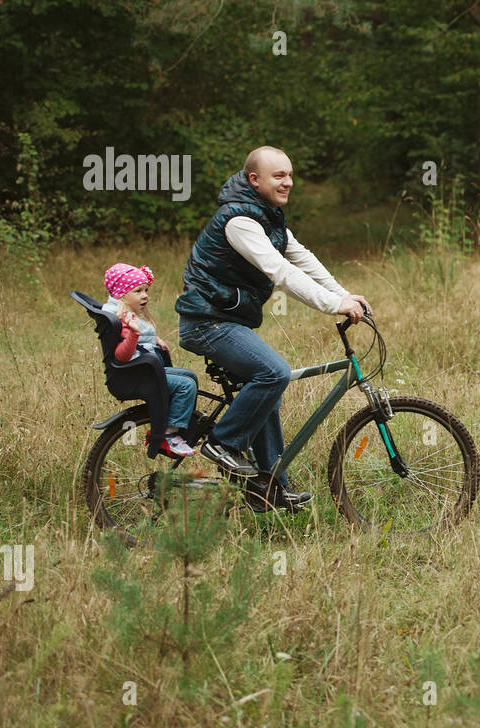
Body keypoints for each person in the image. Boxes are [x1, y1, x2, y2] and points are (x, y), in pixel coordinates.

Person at [175, 146, 372, 510]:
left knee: (269, 392)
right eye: (278, 175)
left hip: (229, 321)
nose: (288, 182)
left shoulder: (269, 217)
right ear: (254, 180)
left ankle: (269, 488)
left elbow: (302, 258)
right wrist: (334, 305)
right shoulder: (240, 222)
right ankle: (224, 443)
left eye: (290, 175)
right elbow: (280, 272)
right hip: (207, 323)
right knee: (273, 373)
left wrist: (345, 294)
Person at [101, 263, 198, 458]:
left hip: (142, 371)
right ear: (122, 295)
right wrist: (134, 334)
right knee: (185, 385)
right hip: (135, 375)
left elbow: (138, 341)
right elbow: (122, 355)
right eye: (137, 291)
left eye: (146, 290)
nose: (145, 295)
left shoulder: (124, 314)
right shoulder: (123, 320)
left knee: (190, 376)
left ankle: (180, 429)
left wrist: (153, 340)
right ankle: (168, 435)